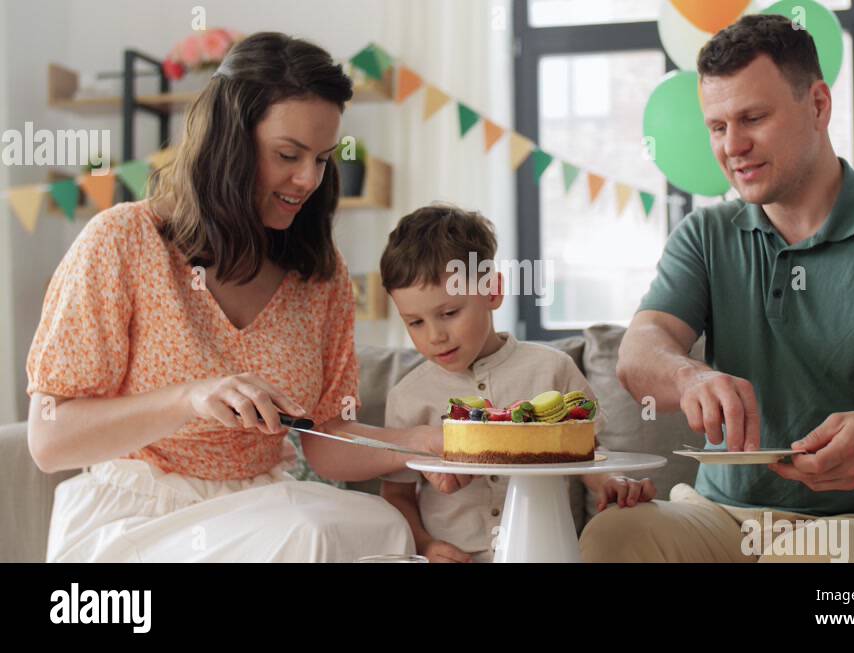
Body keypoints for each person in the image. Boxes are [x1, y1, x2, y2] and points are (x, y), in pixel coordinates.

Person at [581, 15, 854, 563]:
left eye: (753, 117)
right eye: (717, 126)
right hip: (720, 518)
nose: (733, 146)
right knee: (611, 539)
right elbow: (641, 351)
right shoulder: (706, 236)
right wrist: (689, 376)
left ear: (819, 106)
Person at [26, 32, 441, 562]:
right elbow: (48, 441)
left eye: (322, 158)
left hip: (265, 505)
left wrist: (422, 445)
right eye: (288, 154)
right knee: (306, 536)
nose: (308, 179)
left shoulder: (319, 273)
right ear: (228, 141)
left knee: (382, 527)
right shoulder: (123, 241)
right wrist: (188, 398)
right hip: (138, 514)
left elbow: (323, 437)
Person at [377, 205, 656, 562]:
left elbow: (588, 456)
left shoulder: (551, 370)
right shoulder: (406, 398)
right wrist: (426, 546)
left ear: (492, 290)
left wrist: (614, 484)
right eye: (415, 322)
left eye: (449, 313)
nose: (435, 336)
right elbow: (398, 496)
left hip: (544, 550)